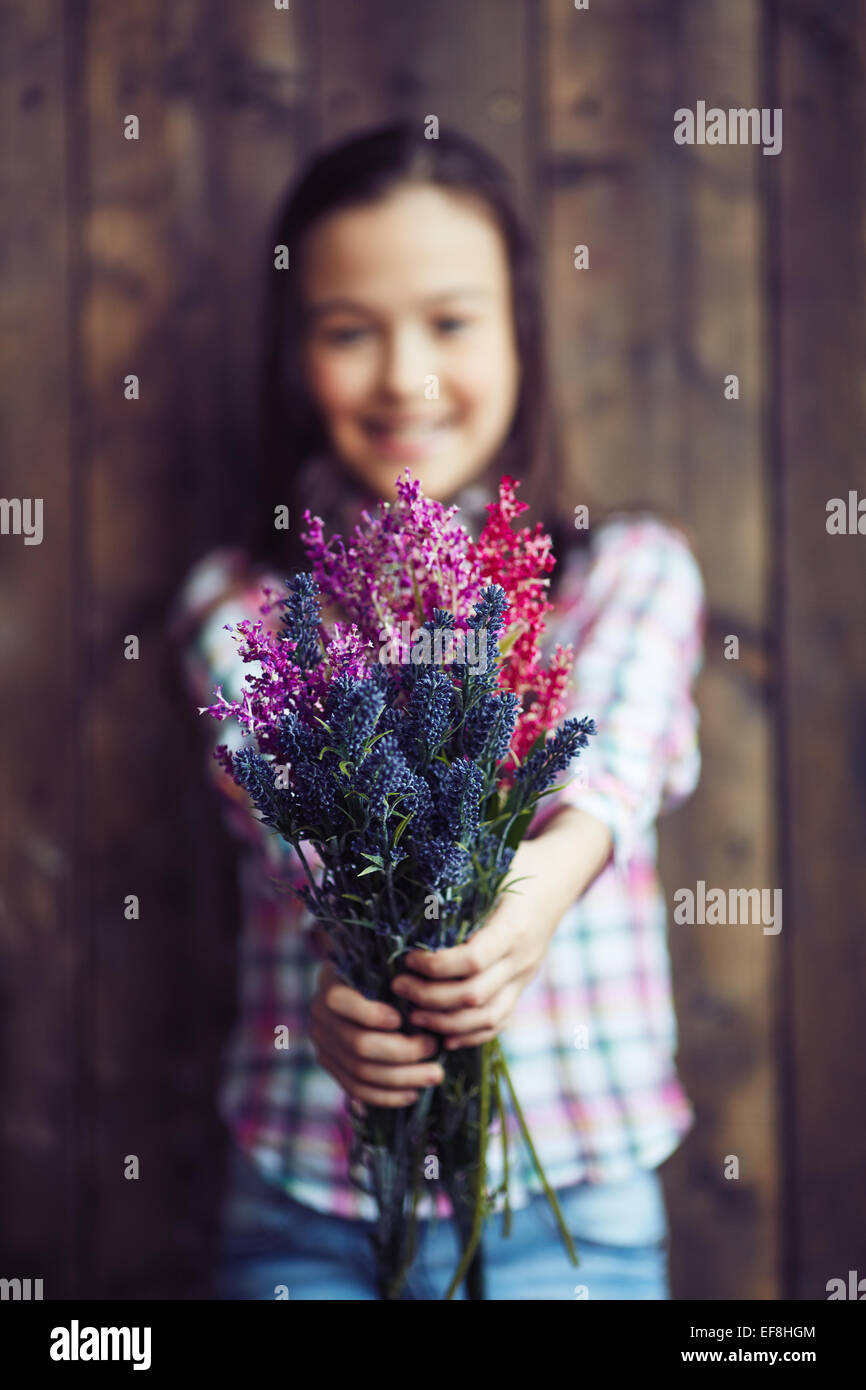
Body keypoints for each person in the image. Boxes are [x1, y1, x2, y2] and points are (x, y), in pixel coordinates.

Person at [169, 122, 707, 1300]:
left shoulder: (621, 573)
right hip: (313, 1190)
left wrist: (541, 882)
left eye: (450, 322)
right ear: (292, 357)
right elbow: (299, 829)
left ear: (521, 333)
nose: (404, 375)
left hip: (574, 1188)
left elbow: (609, 755)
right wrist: (349, 975)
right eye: (348, 330)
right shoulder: (247, 611)